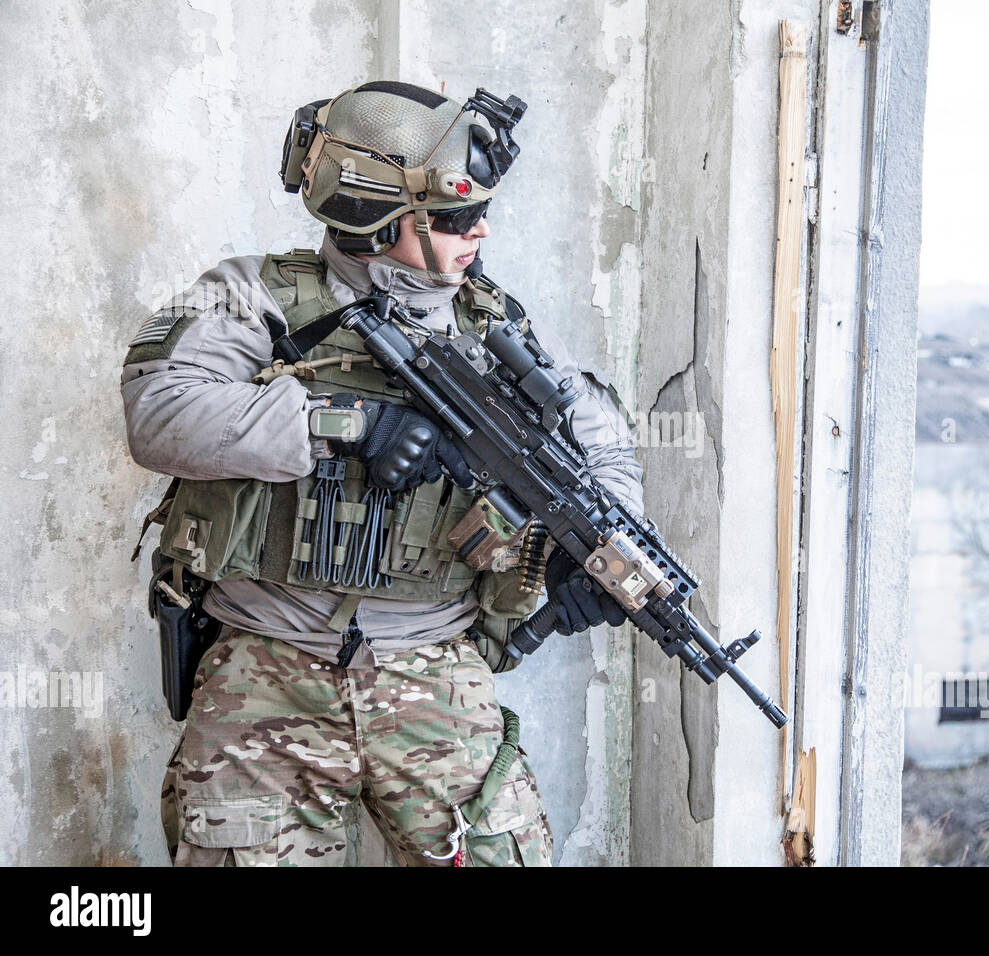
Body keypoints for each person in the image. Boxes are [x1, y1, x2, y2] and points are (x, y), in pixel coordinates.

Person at [121, 80, 643, 866]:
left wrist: (605, 552)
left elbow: (597, 438)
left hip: (435, 670)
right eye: (456, 216)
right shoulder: (250, 294)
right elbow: (160, 412)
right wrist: (346, 424)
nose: (481, 232)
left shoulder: (494, 324)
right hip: (266, 670)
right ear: (376, 215)